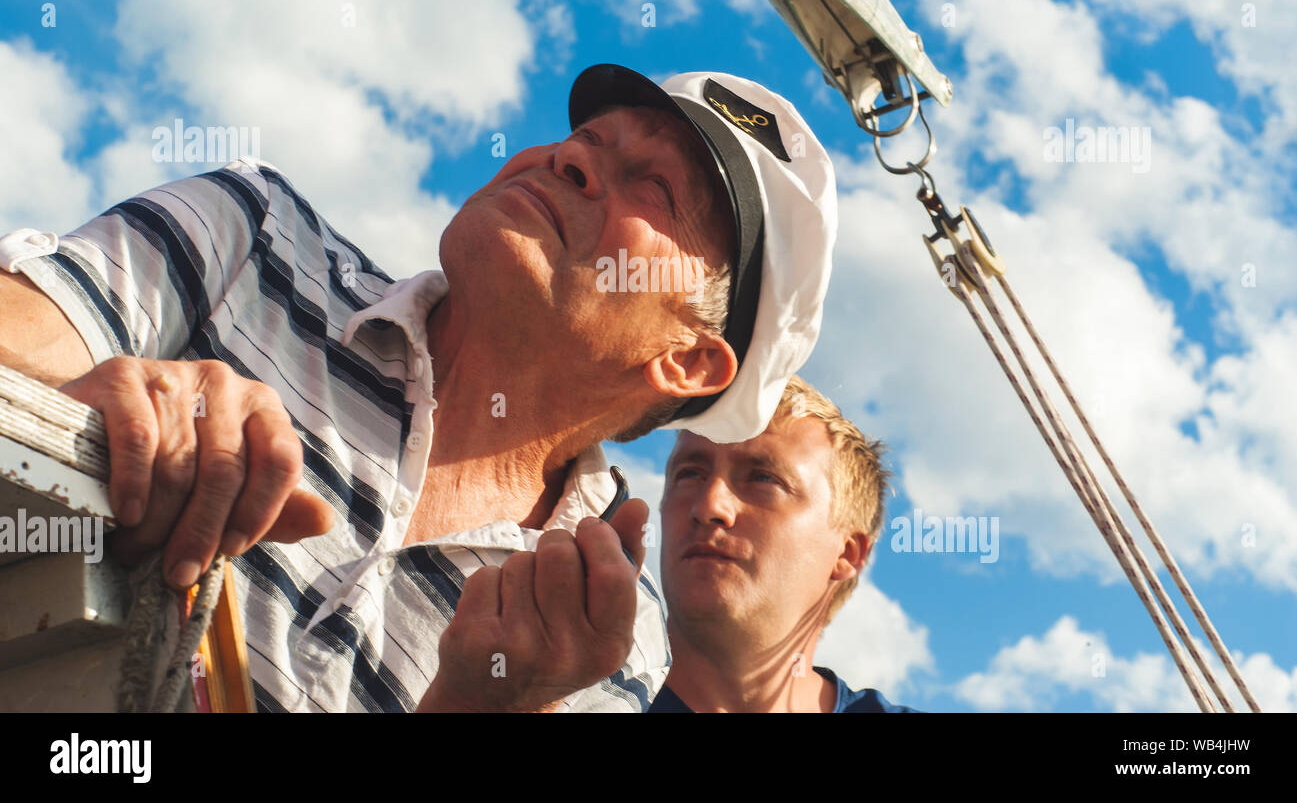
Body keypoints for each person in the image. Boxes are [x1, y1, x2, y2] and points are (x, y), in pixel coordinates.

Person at [0, 64, 837, 712]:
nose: (571, 156)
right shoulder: (253, 236)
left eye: (652, 187)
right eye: (588, 136)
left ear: (688, 364)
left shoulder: (615, 643)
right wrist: (92, 409)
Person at [650, 374, 920, 713]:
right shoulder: (571, 697)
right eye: (689, 474)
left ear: (847, 553)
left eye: (764, 478)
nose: (709, 506)